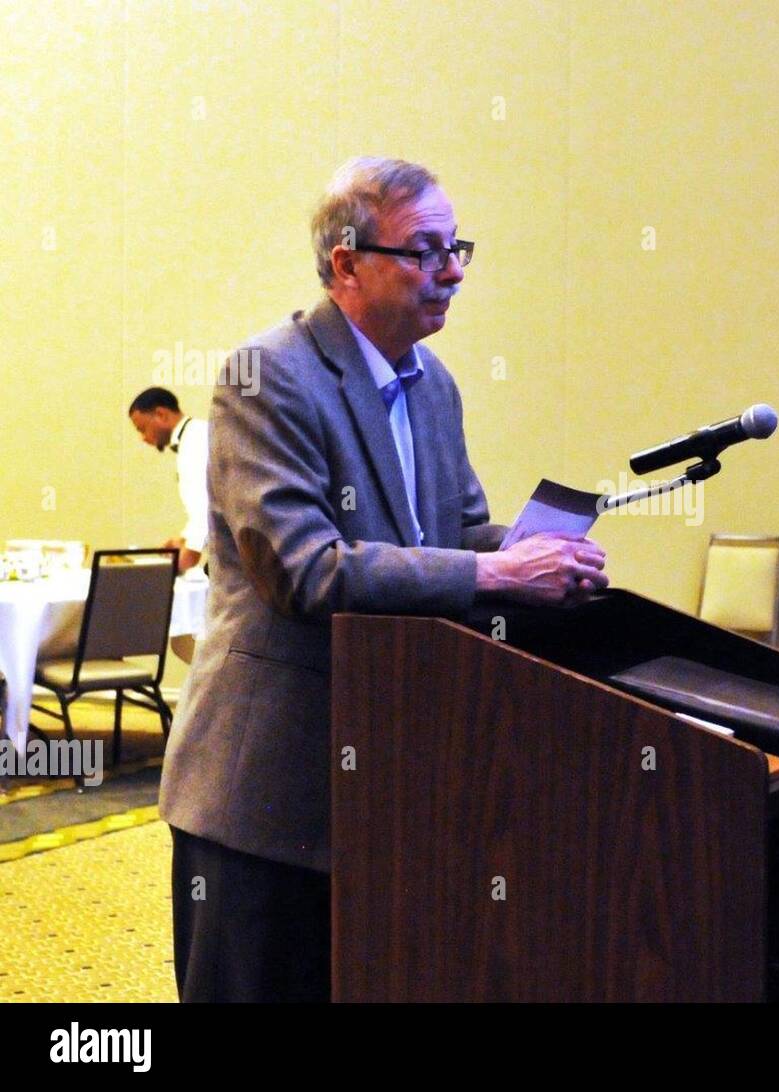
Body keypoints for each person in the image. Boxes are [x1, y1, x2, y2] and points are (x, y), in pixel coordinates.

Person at [159, 157, 608, 1002]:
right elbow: (308, 570)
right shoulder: (269, 375)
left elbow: (453, 531)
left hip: (390, 788)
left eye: (458, 247)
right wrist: (499, 571)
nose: (454, 270)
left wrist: (544, 548)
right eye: (426, 250)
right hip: (267, 794)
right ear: (345, 263)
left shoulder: (433, 382)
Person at [128, 387, 208, 573]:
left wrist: (186, 557)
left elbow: (208, 505)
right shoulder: (195, 435)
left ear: (161, 414)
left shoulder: (196, 441)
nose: (144, 438)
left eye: (143, 429)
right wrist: (185, 539)